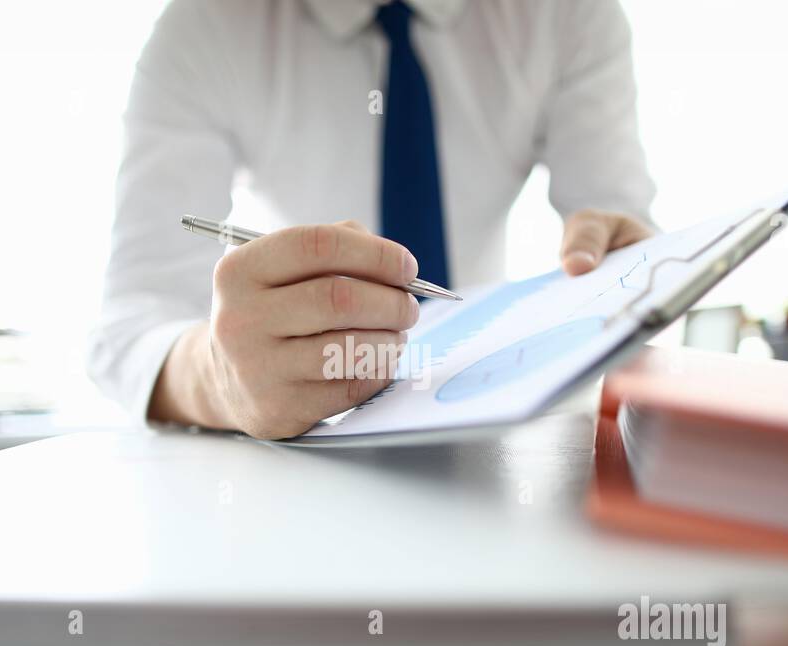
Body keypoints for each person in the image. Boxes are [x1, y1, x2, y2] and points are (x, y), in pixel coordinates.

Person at [90, 0, 655, 439]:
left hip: (506, 426)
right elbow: (127, 329)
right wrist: (221, 378)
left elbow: (620, 225)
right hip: (318, 459)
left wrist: (627, 269)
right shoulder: (205, 27)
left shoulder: (568, 13)